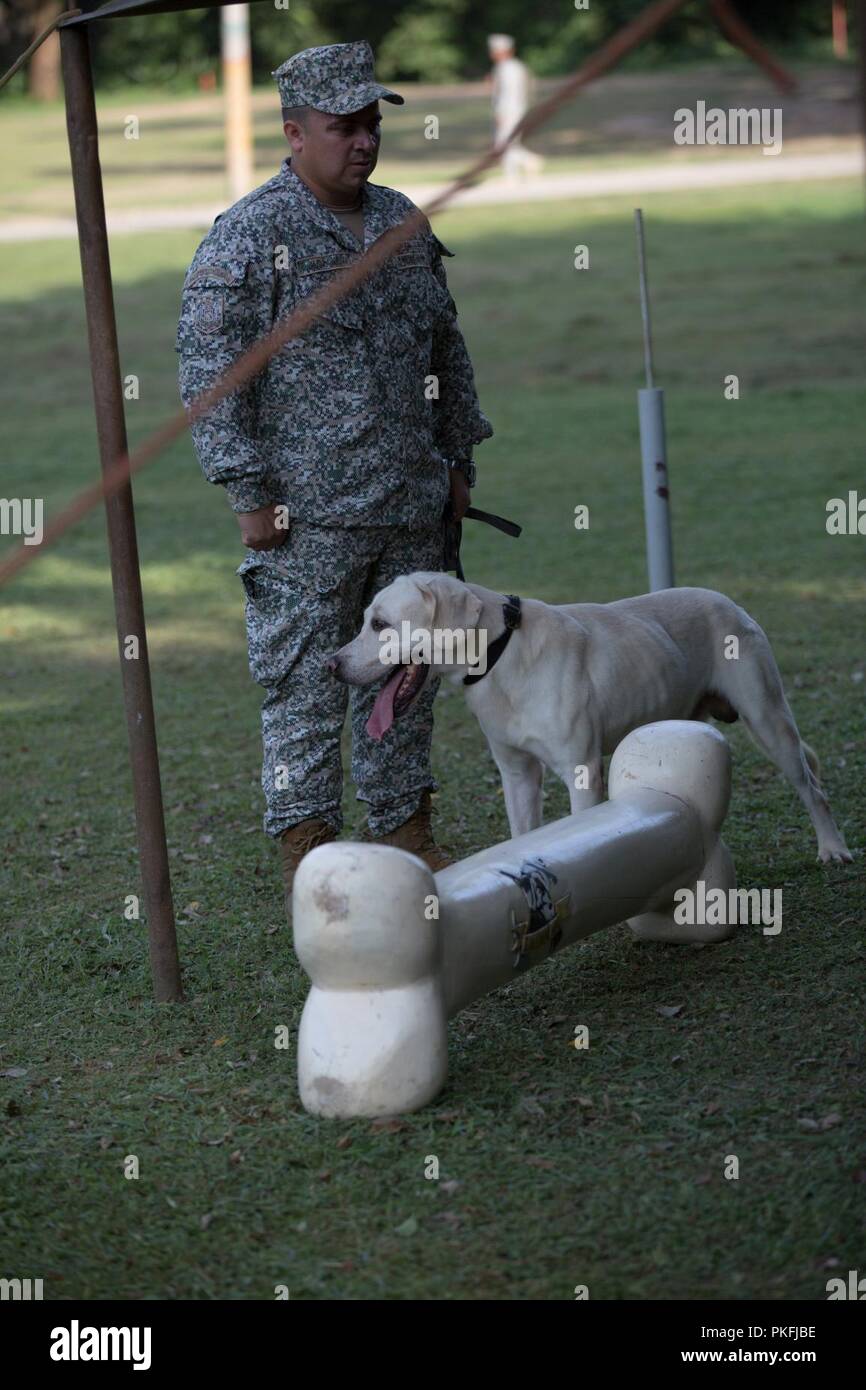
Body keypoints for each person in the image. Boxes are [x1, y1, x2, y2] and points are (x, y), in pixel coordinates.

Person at [176, 41, 492, 923]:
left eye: (371, 124)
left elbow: (446, 348)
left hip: (412, 504)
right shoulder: (252, 231)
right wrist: (245, 491)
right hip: (304, 519)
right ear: (294, 131)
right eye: (342, 126)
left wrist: (460, 456)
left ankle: (406, 833)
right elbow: (210, 369)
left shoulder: (401, 220)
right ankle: (311, 855)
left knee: (409, 677)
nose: (362, 142)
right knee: (306, 686)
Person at [487, 32, 543, 179]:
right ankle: (520, 168)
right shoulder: (512, 67)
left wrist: (501, 113)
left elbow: (508, 94)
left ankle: (518, 170)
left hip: (510, 110)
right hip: (515, 109)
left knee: (504, 143)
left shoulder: (508, 68)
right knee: (508, 143)